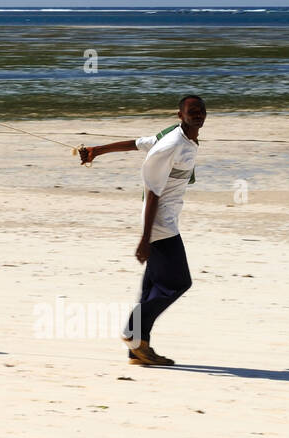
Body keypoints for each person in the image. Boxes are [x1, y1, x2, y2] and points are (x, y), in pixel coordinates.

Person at [77, 94, 207, 365]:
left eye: (201, 110)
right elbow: (153, 194)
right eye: (191, 111)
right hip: (160, 225)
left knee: (152, 288)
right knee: (179, 283)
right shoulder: (171, 145)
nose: (197, 114)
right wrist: (145, 239)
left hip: (163, 222)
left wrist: (97, 150)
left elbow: (136, 144)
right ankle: (131, 330)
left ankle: (138, 349)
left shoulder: (177, 136)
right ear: (180, 115)